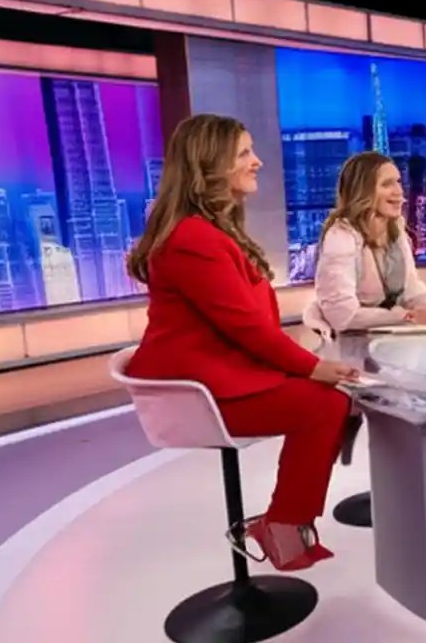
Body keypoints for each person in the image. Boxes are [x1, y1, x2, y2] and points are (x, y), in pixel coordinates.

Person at [125, 114, 357, 571]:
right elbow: (245, 328)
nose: (258, 161)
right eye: (244, 153)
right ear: (211, 165)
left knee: (334, 397)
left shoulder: (209, 231)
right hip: (198, 393)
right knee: (325, 403)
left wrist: (304, 362)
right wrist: (311, 367)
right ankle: (284, 526)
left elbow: (246, 326)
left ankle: (287, 523)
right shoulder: (193, 239)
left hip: (220, 374)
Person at [310, 151, 426, 333]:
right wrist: (408, 317)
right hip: (352, 341)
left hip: (391, 337)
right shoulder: (341, 237)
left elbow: (411, 291)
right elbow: (343, 317)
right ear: (362, 191)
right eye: (386, 184)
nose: (399, 192)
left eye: (398, 182)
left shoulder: (396, 230)